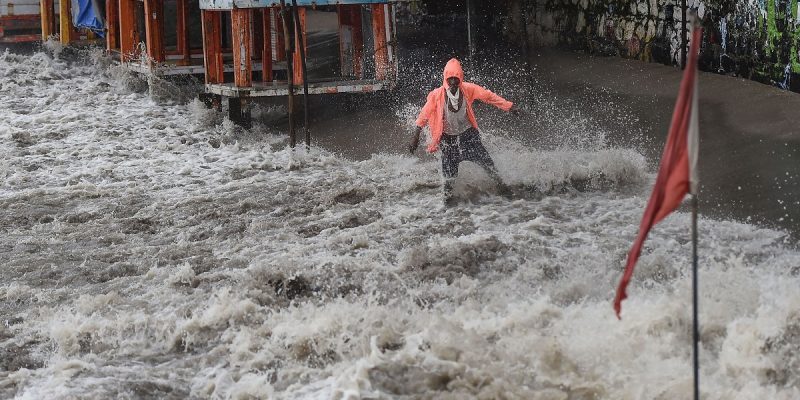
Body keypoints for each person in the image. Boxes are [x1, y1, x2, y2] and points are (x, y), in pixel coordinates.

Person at [408, 58, 521, 206]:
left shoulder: (468, 89)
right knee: (449, 178)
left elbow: (489, 96)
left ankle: (504, 190)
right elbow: (424, 114)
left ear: (461, 78)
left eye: (456, 79)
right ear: (445, 79)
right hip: (447, 141)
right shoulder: (437, 95)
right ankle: (448, 206)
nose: (453, 83)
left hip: (468, 136)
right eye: (450, 79)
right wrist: (415, 136)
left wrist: (509, 107)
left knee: (488, 164)